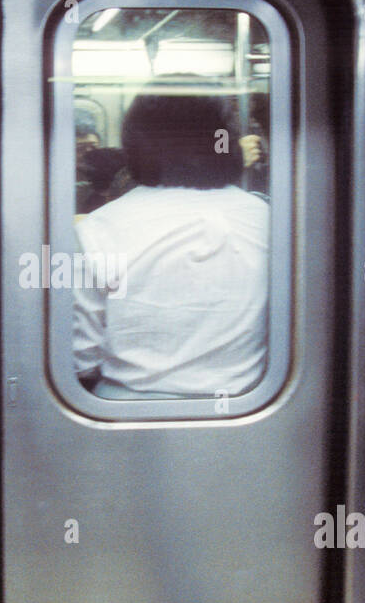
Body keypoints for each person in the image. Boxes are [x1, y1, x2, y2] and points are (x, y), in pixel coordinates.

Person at [72, 83, 269, 399]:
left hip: (121, 418)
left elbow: (81, 358)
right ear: (226, 142)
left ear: (134, 147)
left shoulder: (97, 229)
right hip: (253, 407)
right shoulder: (267, 221)